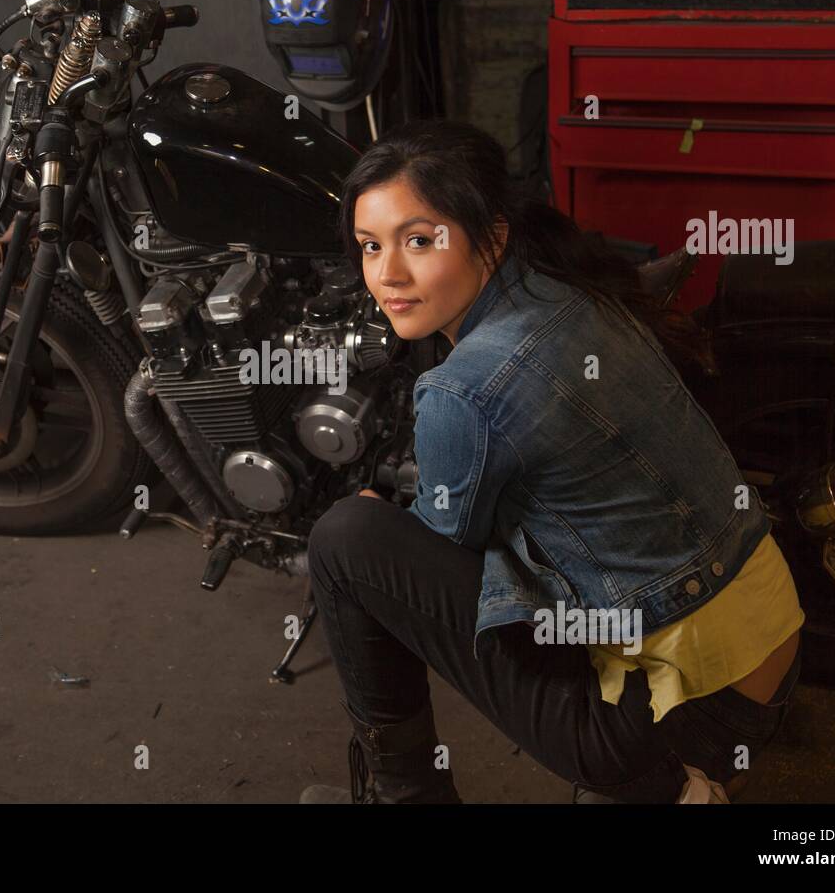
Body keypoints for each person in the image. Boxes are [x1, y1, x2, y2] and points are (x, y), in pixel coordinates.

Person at [300, 119, 804, 804]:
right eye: (369, 246)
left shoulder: (463, 387)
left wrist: (383, 531)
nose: (386, 274)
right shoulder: (574, 290)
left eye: (419, 241)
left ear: (493, 236)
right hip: (769, 640)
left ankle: (404, 795)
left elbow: (437, 569)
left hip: (672, 711)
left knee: (345, 540)